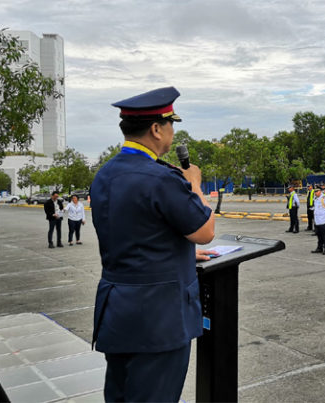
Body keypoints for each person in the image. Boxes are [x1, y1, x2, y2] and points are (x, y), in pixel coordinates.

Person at [91, 87, 215, 401]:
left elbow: (134, 232)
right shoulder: (161, 178)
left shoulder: (105, 174)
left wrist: (180, 253)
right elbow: (205, 231)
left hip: (118, 313)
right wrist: (196, 185)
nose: (173, 132)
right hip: (158, 320)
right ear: (157, 129)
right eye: (171, 124)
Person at [311, 186, 325, 255]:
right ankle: (319, 248)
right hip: (317, 220)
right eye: (315, 192)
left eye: (316, 191)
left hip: (323, 220)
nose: (315, 193)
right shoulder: (316, 199)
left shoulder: (324, 198)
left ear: (320, 191)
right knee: (319, 235)